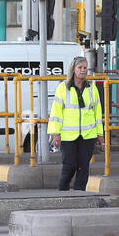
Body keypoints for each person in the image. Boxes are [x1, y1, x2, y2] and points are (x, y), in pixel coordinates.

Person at [48, 57, 104, 191]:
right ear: (73, 69)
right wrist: (56, 134)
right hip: (68, 135)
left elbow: (97, 113)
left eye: (85, 67)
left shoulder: (92, 88)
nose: (83, 70)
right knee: (70, 165)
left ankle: (80, 193)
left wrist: (99, 134)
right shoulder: (63, 88)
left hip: (88, 134)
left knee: (83, 166)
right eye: (80, 67)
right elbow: (56, 113)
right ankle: (63, 190)